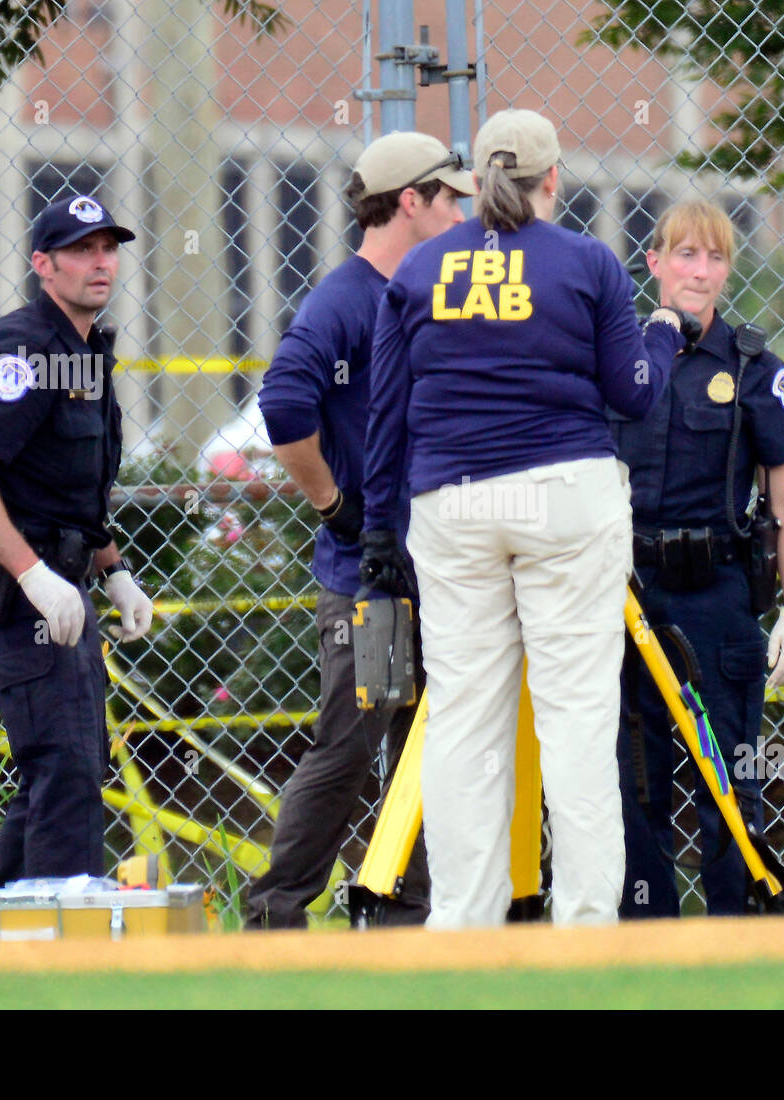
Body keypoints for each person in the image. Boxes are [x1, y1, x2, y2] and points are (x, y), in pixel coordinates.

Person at [360, 108, 698, 929]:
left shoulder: (421, 268)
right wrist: (663, 334)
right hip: (563, 495)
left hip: (455, 498)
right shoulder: (587, 262)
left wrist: (377, 523)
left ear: (473, 182)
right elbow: (636, 395)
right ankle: (584, 922)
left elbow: (388, 411)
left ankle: (463, 924)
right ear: (554, 179)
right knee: (576, 715)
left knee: (466, 718)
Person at [245, 132, 474, 929]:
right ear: (408, 202)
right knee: (351, 743)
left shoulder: (435, 289)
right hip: (372, 581)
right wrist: (335, 507)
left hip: (443, 569)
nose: (460, 211)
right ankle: (275, 912)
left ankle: (405, 909)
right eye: (449, 198)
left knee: (429, 744)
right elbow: (282, 407)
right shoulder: (345, 300)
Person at [0, 195, 154, 888]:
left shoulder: (82, 352)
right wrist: (33, 574)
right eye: (81, 249)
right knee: (64, 766)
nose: (100, 262)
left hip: (64, 585)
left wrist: (113, 570)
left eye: (108, 248)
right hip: (15, 590)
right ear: (42, 264)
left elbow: (72, 488)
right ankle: (62, 953)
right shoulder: (24, 352)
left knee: (68, 765)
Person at [613, 199, 784, 918]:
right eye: (686, 255)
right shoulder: (621, 359)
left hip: (718, 599)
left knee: (729, 776)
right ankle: (648, 945)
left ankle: (738, 938)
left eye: (716, 257)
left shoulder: (754, 366)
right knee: (636, 779)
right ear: (655, 264)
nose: (701, 271)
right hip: (627, 595)